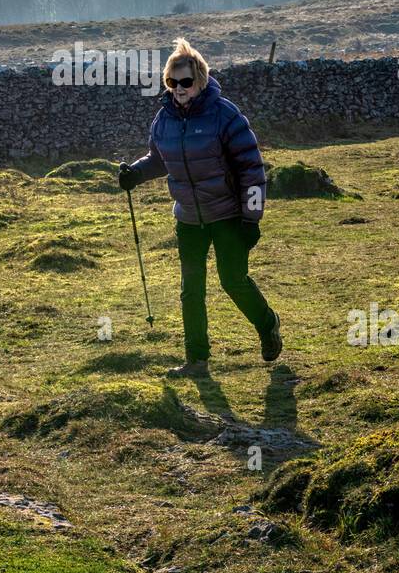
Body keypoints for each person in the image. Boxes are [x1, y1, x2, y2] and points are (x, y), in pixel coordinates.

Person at [119, 37, 281, 378]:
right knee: (191, 290)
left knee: (233, 281)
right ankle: (197, 362)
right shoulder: (163, 120)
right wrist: (134, 173)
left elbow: (252, 169)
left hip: (228, 216)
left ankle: (267, 324)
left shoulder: (225, 115)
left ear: (201, 80)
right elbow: (158, 160)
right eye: (172, 82)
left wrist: (251, 219)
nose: (179, 88)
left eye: (186, 82)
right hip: (189, 219)